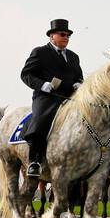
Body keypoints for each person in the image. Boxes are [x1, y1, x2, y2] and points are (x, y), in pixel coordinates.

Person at [21, 19, 84, 178]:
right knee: (41, 119)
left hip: (70, 98)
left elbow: (79, 77)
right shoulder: (40, 52)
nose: (66, 37)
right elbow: (26, 74)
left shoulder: (74, 57)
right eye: (63, 34)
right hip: (47, 97)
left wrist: (79, 84)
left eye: (68, 35)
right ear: (52, 36)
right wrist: (42, 85)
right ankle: (34, 161)